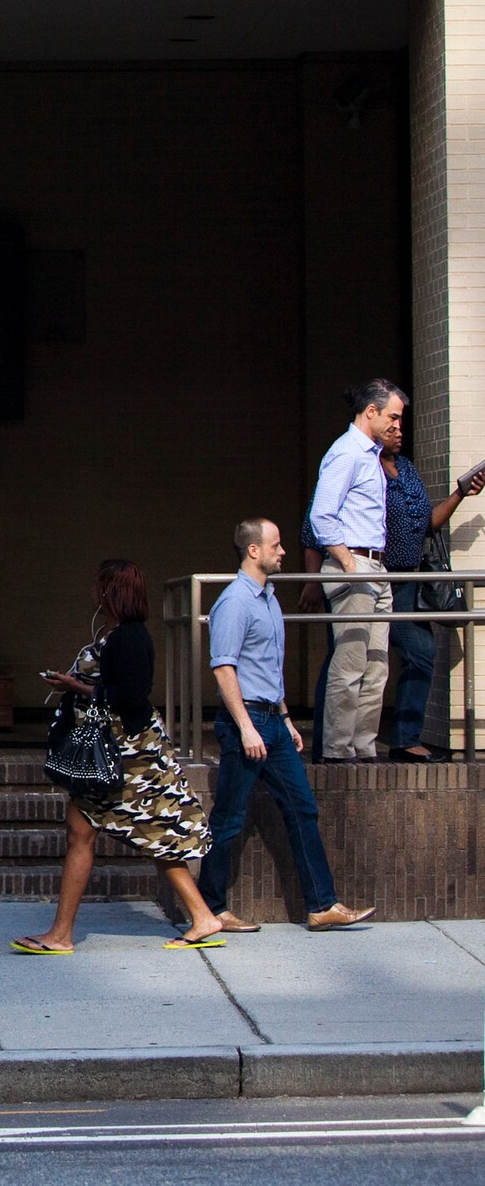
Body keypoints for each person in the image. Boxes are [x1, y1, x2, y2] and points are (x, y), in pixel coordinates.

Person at [12, 560, 221, 955]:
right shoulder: (126, 634)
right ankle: (202, 916)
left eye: (99, 586)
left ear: (110, 592)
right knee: (151, 832)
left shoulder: (128, 638)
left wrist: (77, 685)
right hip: (131, 754)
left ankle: (60, 934)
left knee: (86, 831)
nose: (94, 593)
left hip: (127, 756)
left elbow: (130, 697)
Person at [198, 520, 374, 933]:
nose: (283, 553)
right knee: (229, 817)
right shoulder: (235, 602)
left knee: (302, 809)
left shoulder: (268, 599)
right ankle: (210, 907)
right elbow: (224, 668)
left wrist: (286, 719)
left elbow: (267, 669)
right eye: (276, 546)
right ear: (253, 551)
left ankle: (322, 905)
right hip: (248, 723)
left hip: (272, 722)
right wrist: (245, 727)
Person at [307, 380, 402, 762]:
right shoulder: (347, 452)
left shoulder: (371, 456)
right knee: (349, 665)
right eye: (392, 416)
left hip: (375, 565)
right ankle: (337, 751)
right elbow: (321, 514)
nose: (397, 424)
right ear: (372, 412)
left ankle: (362, 748)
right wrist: (347, 562)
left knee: (376, 667)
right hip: (356, 563)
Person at [375, 416, 479, 762]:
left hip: (410, 578)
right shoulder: (364, 469)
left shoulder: (405, 468)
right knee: (411, 653)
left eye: (401, 427)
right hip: (378, 576)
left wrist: (460, 493)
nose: (399, 433)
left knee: (421, 653)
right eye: (392, 427)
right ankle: (392, 741)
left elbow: (427, 524)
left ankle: (405, 738)